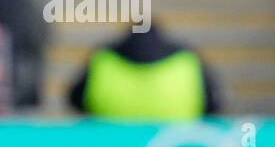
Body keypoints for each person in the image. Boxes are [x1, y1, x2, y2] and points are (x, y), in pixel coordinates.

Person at [67, 20, 220, 120]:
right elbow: (212, 103)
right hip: (176, 141)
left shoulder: (104, 57)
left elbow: (75, 98)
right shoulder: (186, 58)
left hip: (111, 142)